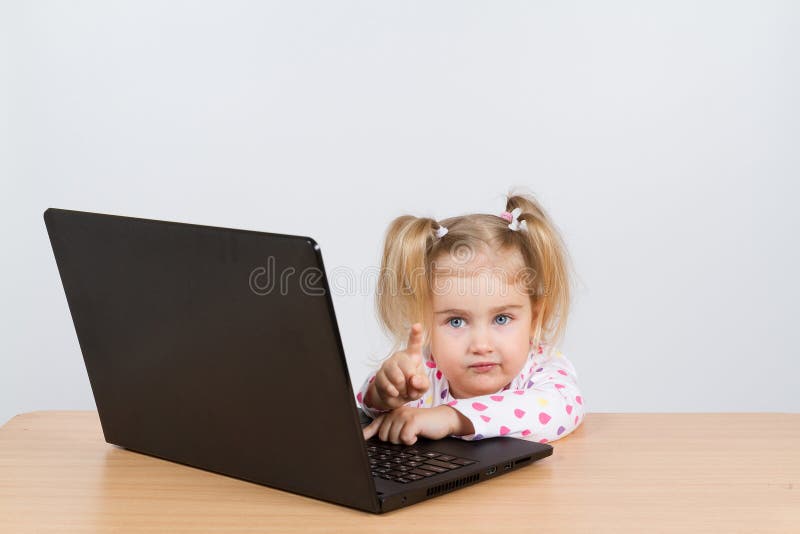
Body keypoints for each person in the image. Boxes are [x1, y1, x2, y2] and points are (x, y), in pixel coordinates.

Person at [358, 189, 585, 445]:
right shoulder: (425, 371)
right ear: (425, 320)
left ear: (534, 318)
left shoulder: (542, 368)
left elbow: (561, 408)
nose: (481, 345)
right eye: (456, 321)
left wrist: (450, 417)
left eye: (501, 319)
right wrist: (383, 393)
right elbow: (372, 407)